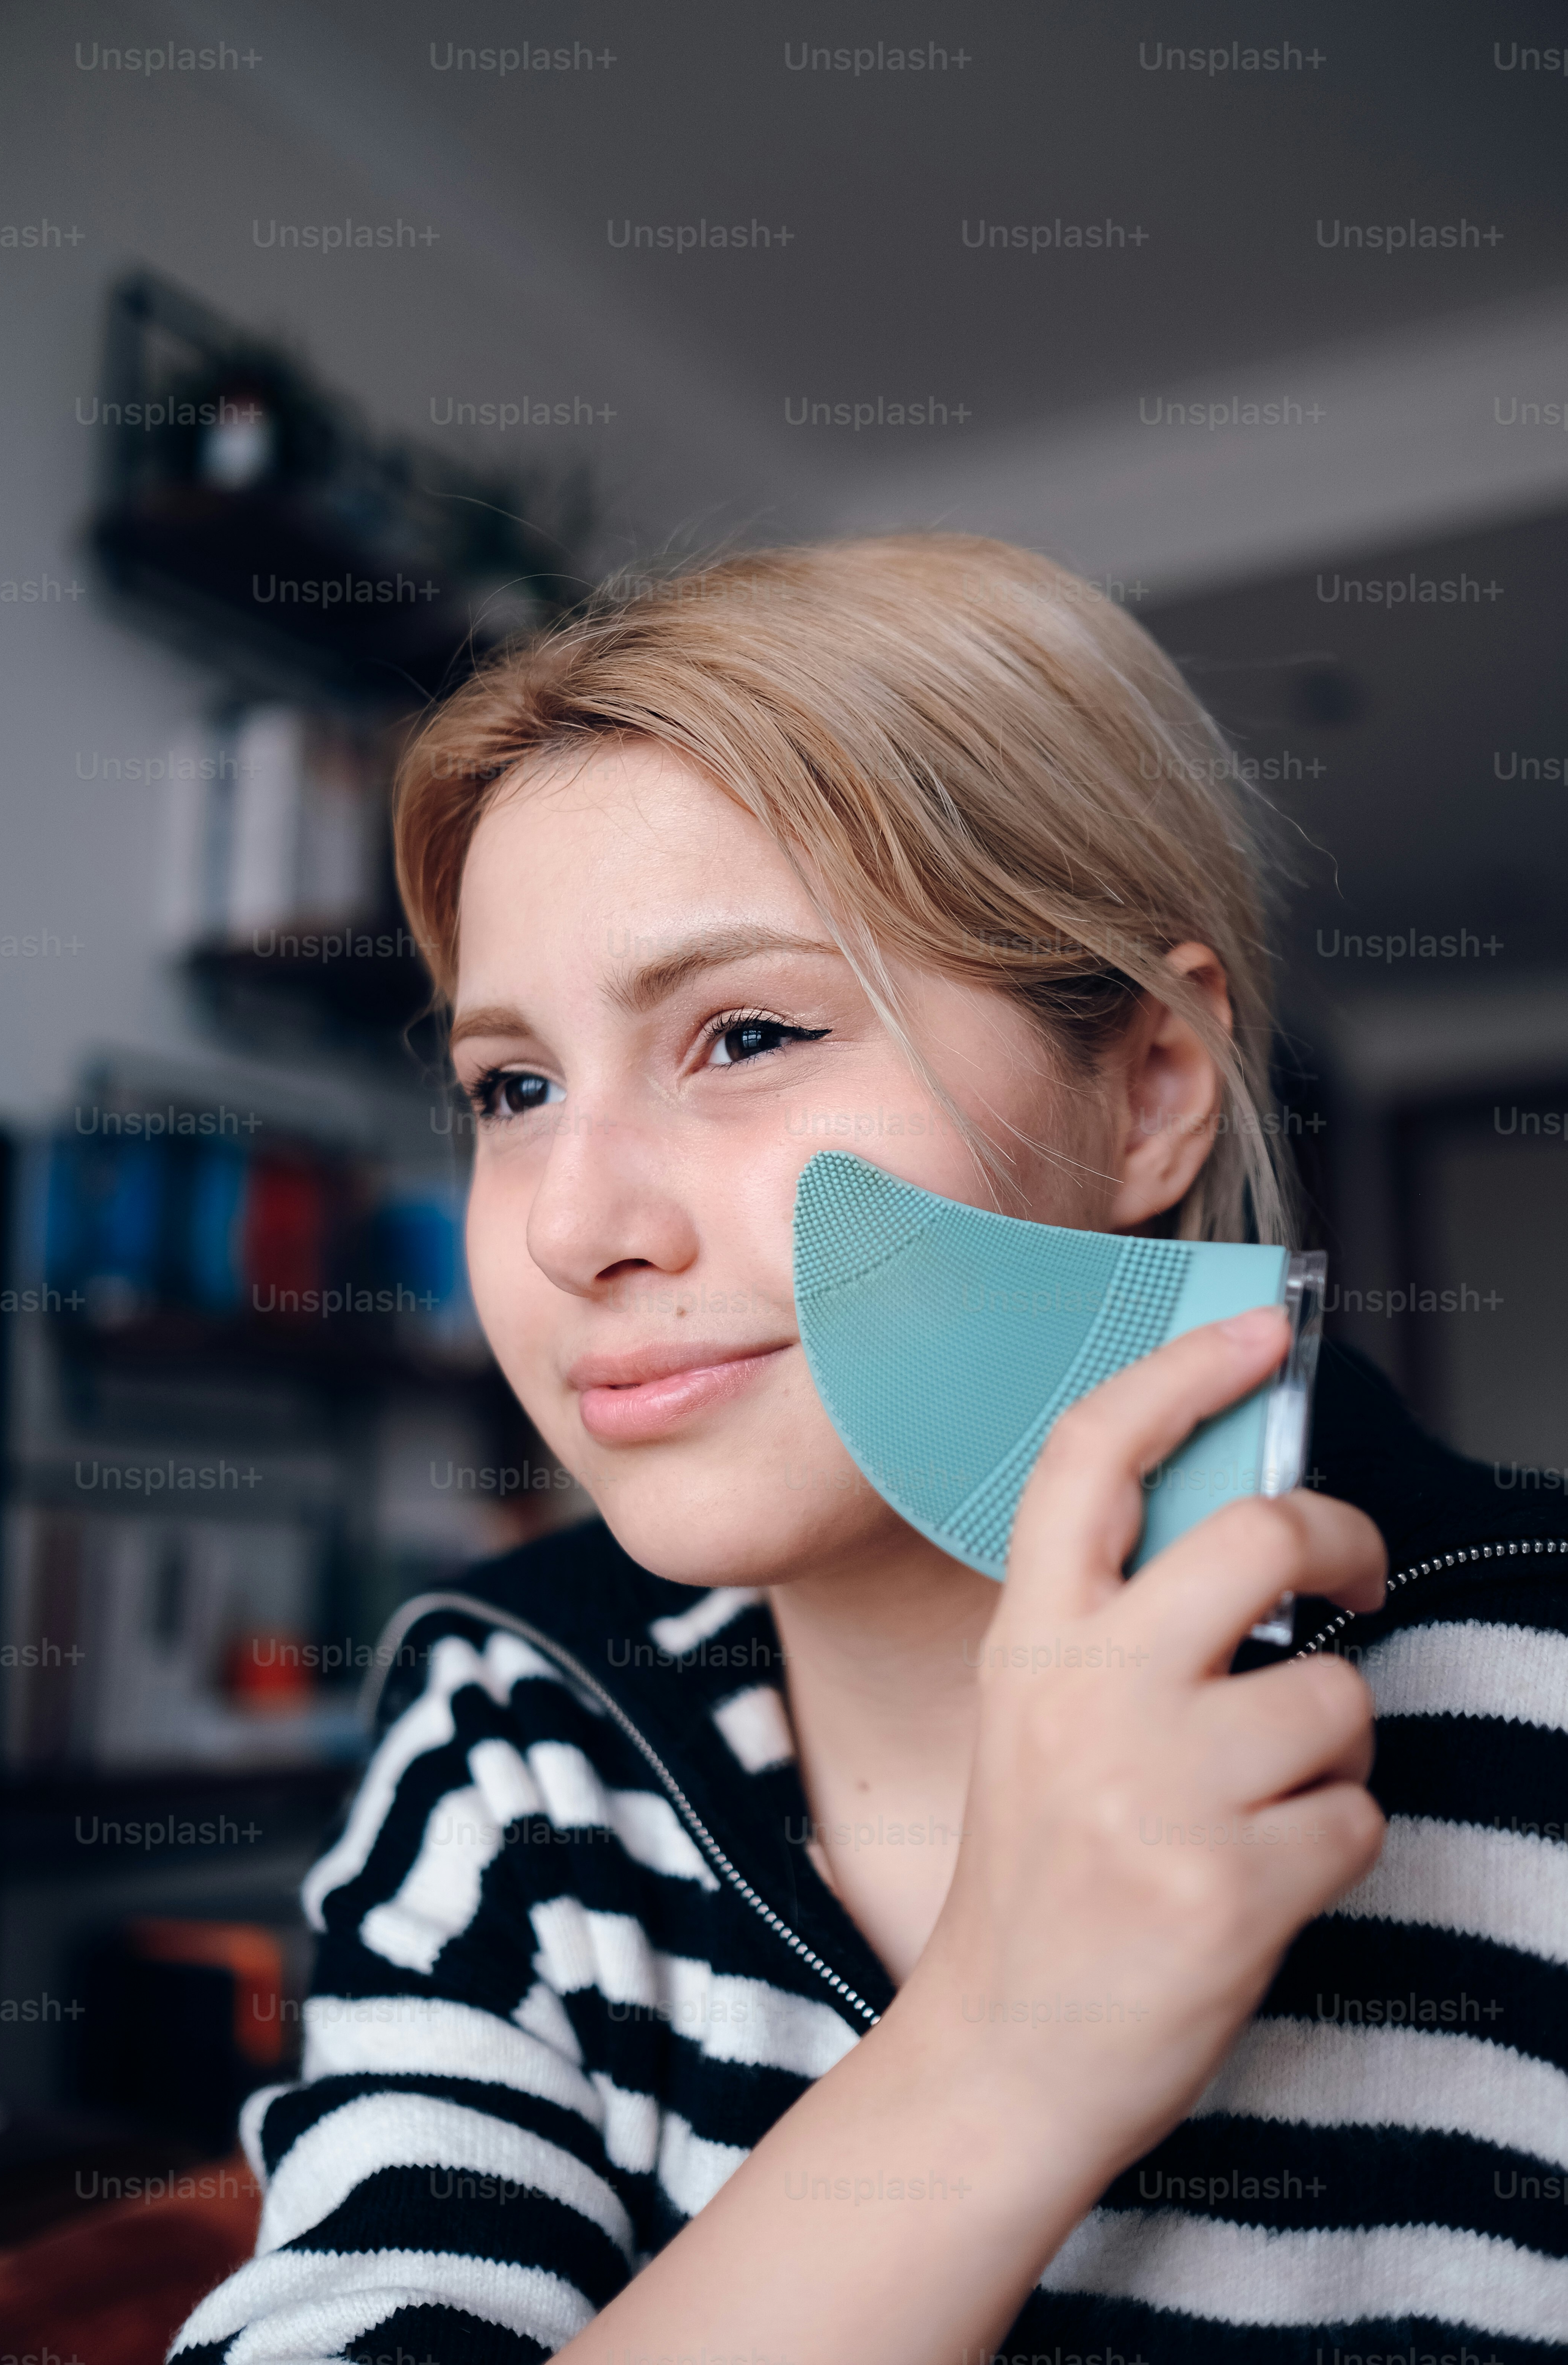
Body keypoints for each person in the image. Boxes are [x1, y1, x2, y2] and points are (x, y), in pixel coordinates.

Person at [172, 538, 1568, 2365]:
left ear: (1149, 1087)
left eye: (745, 1033)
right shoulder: (513, 1728)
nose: (569, 1222)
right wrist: (1000, 2052)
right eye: (513, 1090)